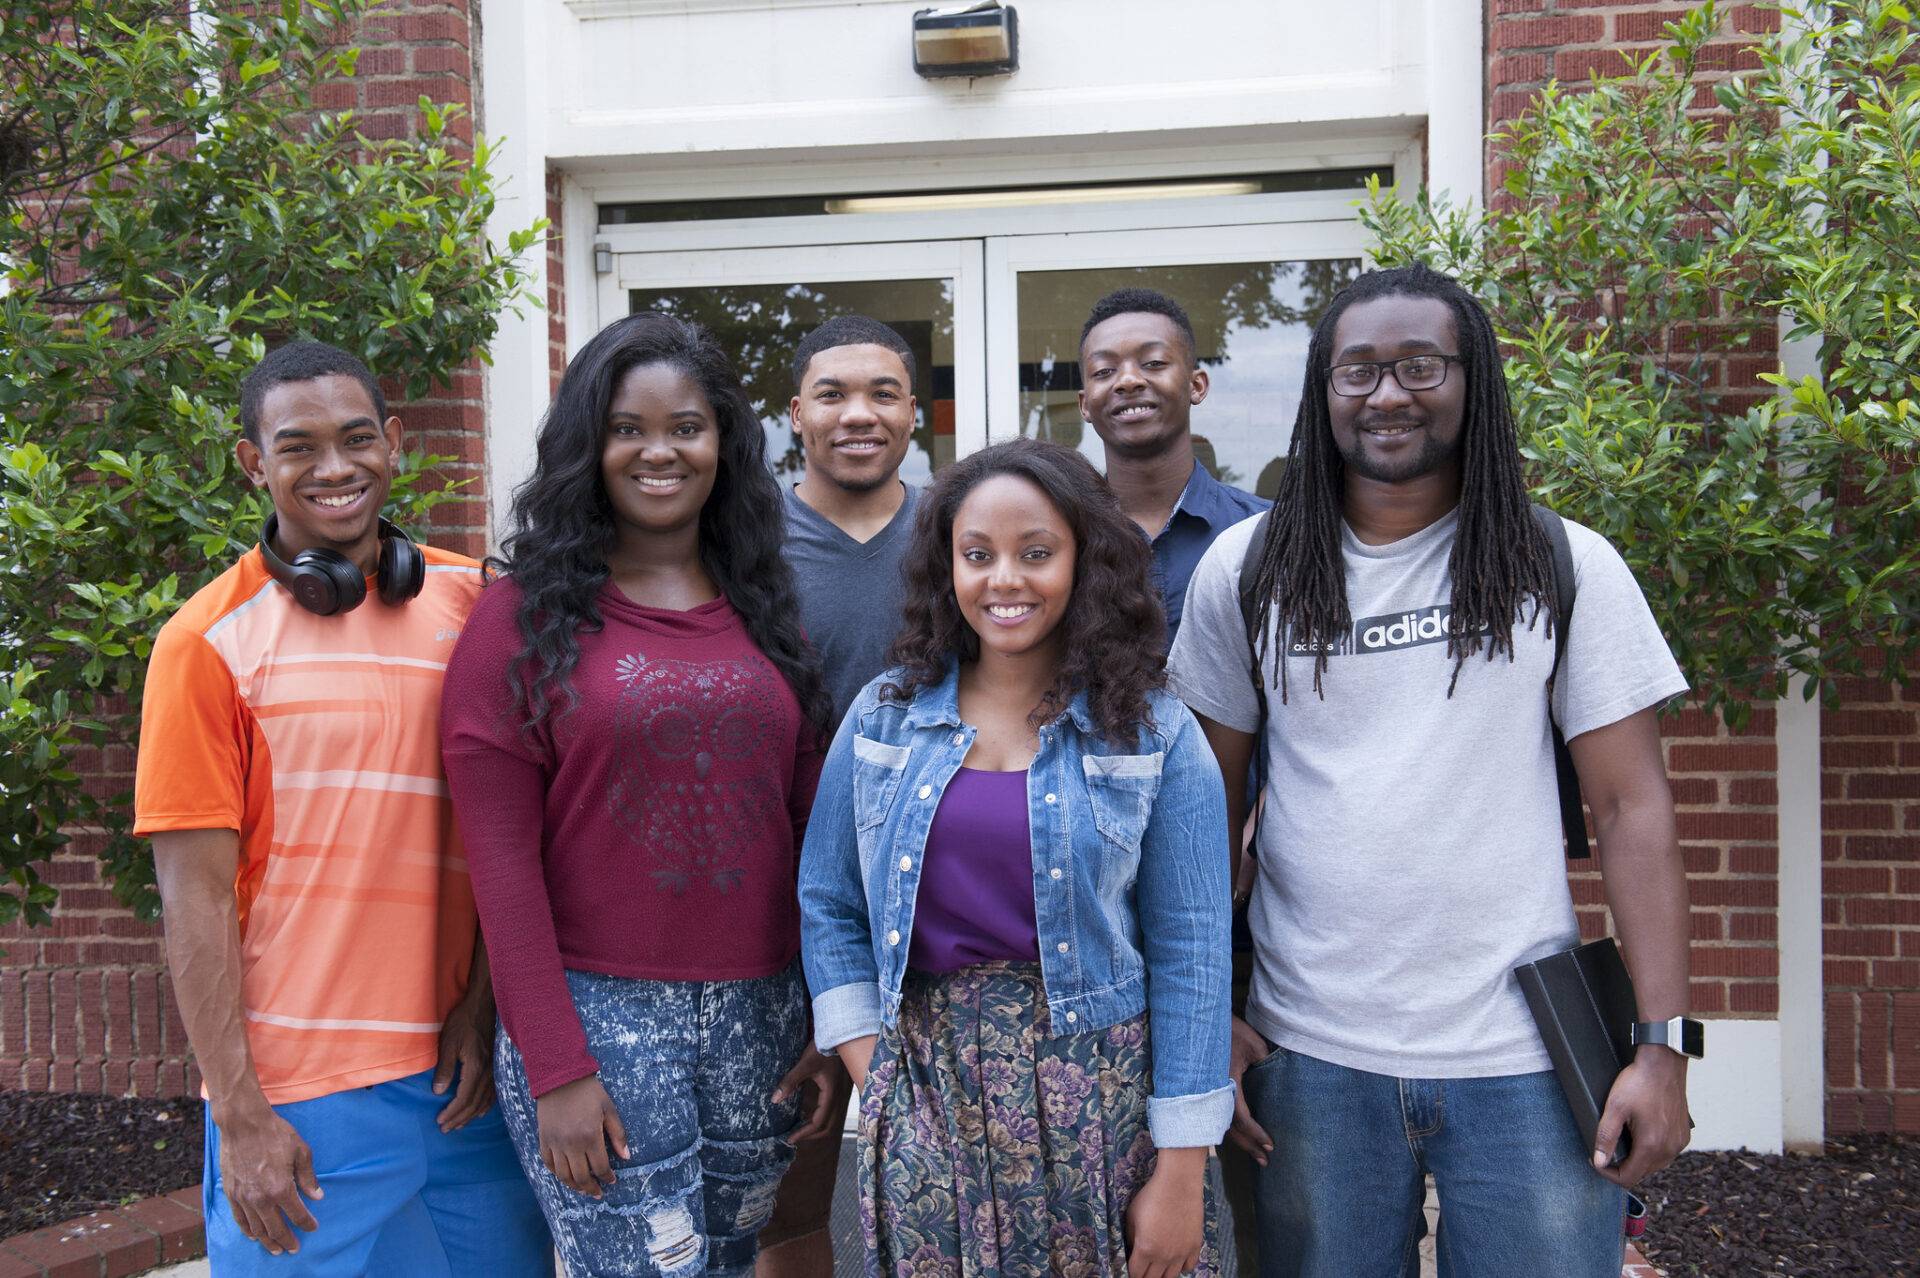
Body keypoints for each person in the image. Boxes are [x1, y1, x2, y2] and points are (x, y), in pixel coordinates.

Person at [1168, 264, 1695, 1278]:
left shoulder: (1559, 563)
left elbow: (1633, 811)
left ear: (1474, 380)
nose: (1388, 394)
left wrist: (1661, 1045)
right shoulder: (1249, 569)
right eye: (1356, 371)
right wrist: (1206, 1027)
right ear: (1322, 393)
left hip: (1526, 1062)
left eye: (1419, 366)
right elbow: (1199, 811)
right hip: (1308, 1057)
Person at [133, 342, 552, 1277]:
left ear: (394, 445)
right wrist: (239, 1113)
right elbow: (192, 899)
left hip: (464, 1081)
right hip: (301, 1098)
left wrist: (482, 1009)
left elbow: (509, 836)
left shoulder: (477, 607)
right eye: (299, 446)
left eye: (358, 438)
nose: (335, 467)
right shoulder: (203, 643)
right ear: (254, 464)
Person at [440, 312, 845, 1278]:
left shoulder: (766, 605)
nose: (659, 451)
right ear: (590, 443)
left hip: (765, 1022)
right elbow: (501, 868)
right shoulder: (518, 621)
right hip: (601, 1023)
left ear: (724, 444)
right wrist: (555, 1065)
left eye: (687, 427)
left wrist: (830, 1021)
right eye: (628, 428)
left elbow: (812, 832)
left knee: (732, 1260)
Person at [800, 437, 1234, 1278]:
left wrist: (1183, 1168)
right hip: (926, 1091)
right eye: (978, 555)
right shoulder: (883, 718)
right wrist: (876, 1074)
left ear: (1084, 561)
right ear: (946, 567)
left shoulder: (1152, 733)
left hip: (1104, 1101)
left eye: (1036, 553)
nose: (1005, 580)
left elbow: (1193, 951)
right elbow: (828, 901)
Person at [760, 315, 922, 1275]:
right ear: (796, 414)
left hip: (934, 905)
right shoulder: (742, 542)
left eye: (882, 393)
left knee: (947, 1167)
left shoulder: (957, 532)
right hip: (783, 907)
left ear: (912, 413)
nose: (858, 414)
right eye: (833, 394)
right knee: (796, 1190)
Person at [1077, 287, 1268, 641]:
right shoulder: (1062, 539)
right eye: (1103, 371)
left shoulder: (1266, 532)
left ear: (1196, 385)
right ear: (1085, 404)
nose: (1129, 380)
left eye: (1154, 363)